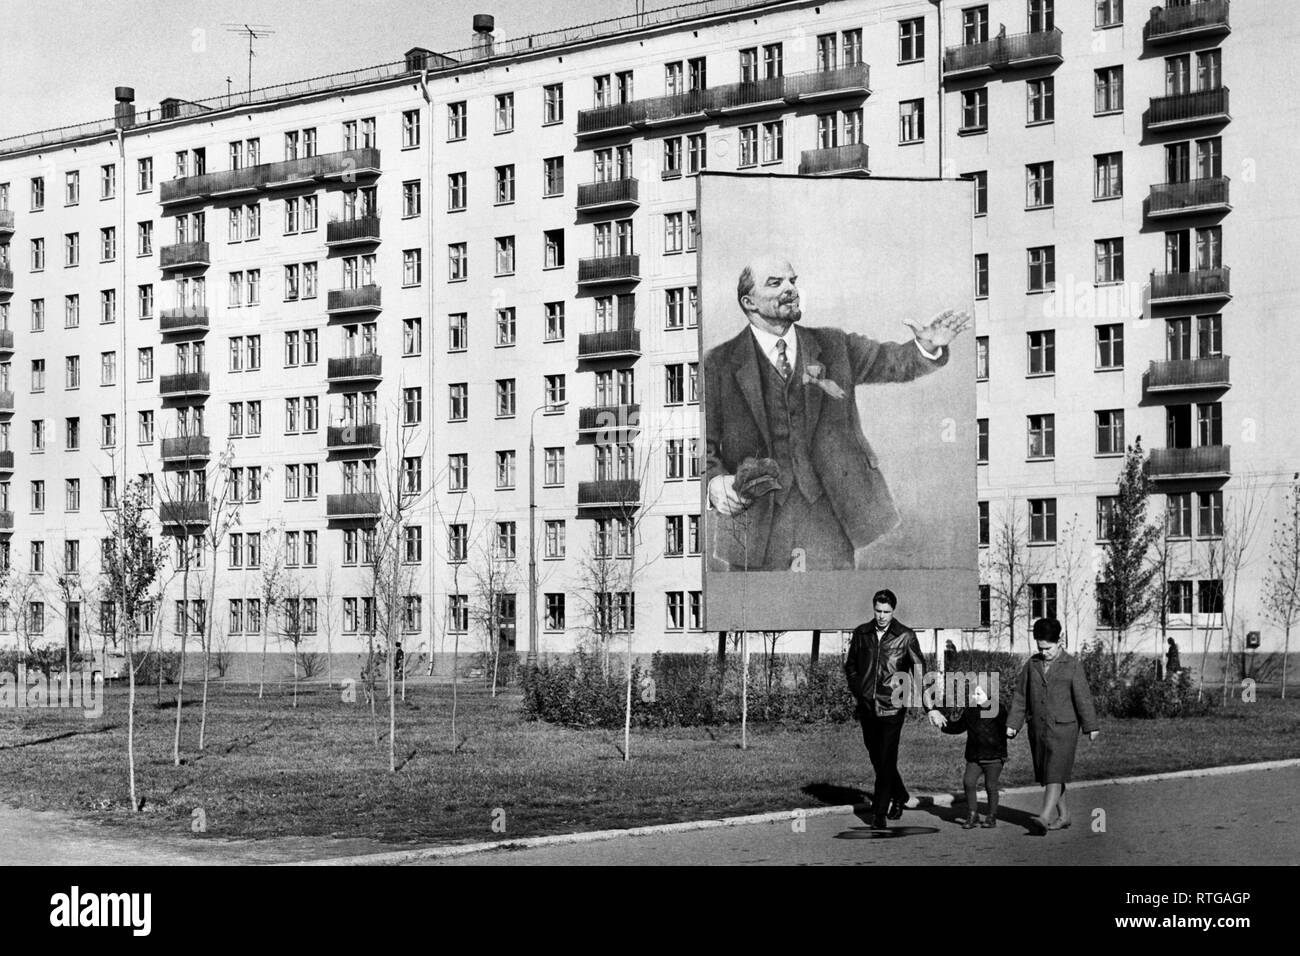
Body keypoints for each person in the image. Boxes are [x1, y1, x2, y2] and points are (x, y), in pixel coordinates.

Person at [704, 253, 970, 571]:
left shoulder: (834, 346)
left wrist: (927, 347)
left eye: (793, 280)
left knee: (833, 611)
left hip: (829, 515)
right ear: (749, 302)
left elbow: (894, 362)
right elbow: (700, 443)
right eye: (775, 283)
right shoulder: (717, 363)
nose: (790, 288)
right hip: (753, 526)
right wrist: (714, 482)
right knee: (761, 616)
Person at [844, 589, 947, 830]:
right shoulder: (862, 633)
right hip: (868, 707)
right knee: (877, 758)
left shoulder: (905, 636)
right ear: (873, 609)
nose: (881, 616)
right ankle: (900, 795)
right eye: (878, 611)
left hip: (893, 707)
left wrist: (930, 708)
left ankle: (879, 813)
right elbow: (850, 665)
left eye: (886, 612)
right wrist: (859, 688)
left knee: (887, 757)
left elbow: (919, 672)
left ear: (893, 611)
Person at [1007, 618, 1100, 834]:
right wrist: (1013, 724)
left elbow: (1083, 698)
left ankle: (1044, 816)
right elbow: (1021, 697)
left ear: (1059, 642)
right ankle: (1065, 816)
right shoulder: (1032, 665)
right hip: (1038, 729)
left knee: (1054, 772)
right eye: (1040, 647)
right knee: (1049, 772)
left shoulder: (1072, 665)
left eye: (1048, 648)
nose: (1044, 652)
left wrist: (1091, 726)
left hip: (1064, 729)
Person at [941, 683, 1008, 828]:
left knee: (991, 786)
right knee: (968, 782)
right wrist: (943, 723)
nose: (974, 697)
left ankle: (991, 816)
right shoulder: (970, 711)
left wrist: (1012, 731)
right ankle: (972, 814)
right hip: (974, 756)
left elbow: (1007, 727)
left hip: (994, 756)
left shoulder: (999, 709)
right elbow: (958, 727)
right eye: (973, 694)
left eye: (978, 694)